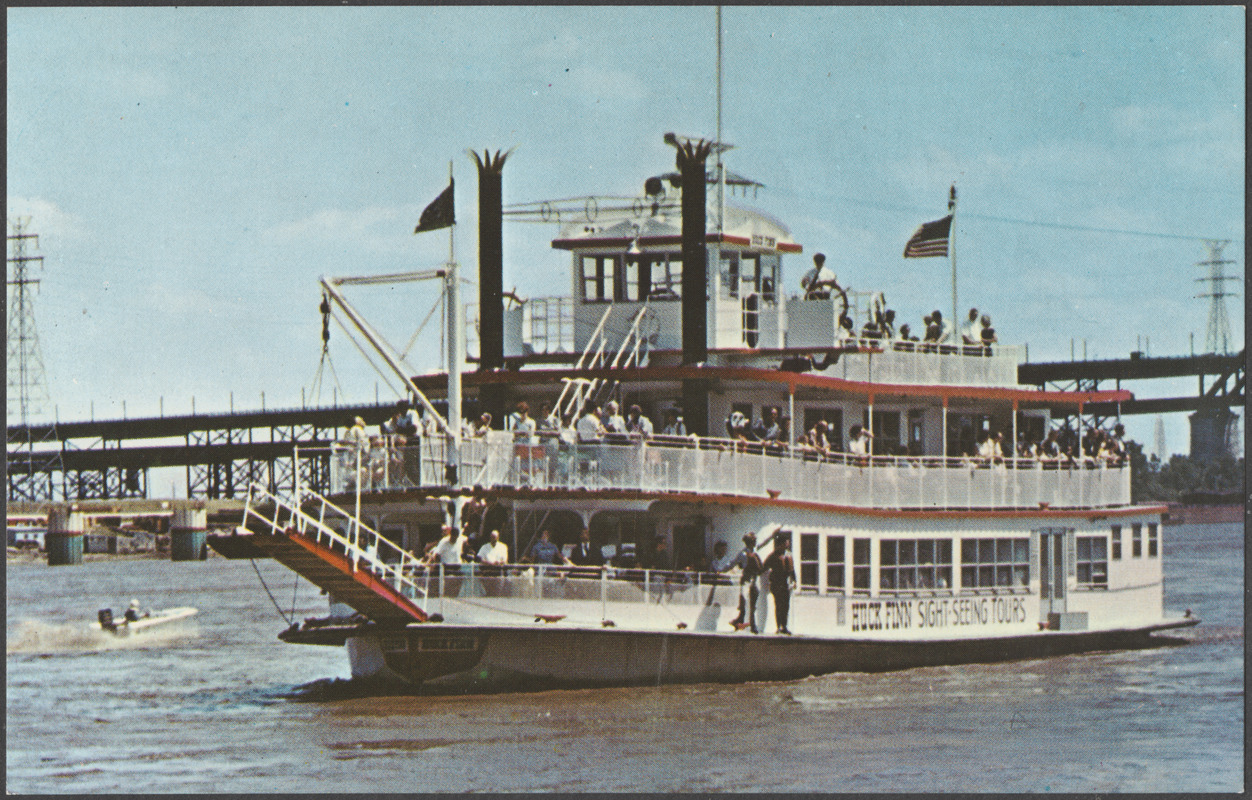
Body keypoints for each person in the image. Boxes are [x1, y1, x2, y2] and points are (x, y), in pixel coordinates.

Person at [728, 533, 764, 633]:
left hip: (753, 581)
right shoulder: (743, 554)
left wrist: (773, 535)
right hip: (746, 581)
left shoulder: (754, 551)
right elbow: (733, 563)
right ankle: (742, 622)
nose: (755, 542)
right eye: (753, 540)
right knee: (743, 603)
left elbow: (764, 543)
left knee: (753, 604)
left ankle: (751, 625)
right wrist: (721, 570)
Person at [763, 536, 797, 635]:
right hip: (776, 583)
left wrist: (794, 581)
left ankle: (784, 626)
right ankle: (778, 626)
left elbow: (792, 570)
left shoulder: (788, 555)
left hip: (785, 583)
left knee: (785, 606)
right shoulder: (773, 556)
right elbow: (765, 566)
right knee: (778, 605)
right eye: (785, 543)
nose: (787, 545)